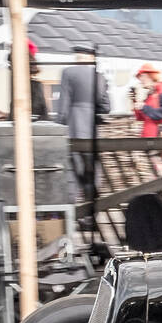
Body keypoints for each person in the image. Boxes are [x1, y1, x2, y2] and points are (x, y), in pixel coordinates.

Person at [55, 43, 110, 205]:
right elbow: (107, 107)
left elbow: (63, 106)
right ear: (92, 57)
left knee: (73, 168)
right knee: (93, 169)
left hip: (74, 125)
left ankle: (73, 212)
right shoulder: (100, 77)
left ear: (78, 57)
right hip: (92, 129)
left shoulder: (68, 73)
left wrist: (58, 125)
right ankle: (91, 212)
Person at [131, 62, 162, 138]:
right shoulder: (151, 93)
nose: (141, 80)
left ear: (151, 76)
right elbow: (142, 117)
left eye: (142, 76)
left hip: (160, 139)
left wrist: (144, 107)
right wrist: (135, 101)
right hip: (150, 139)